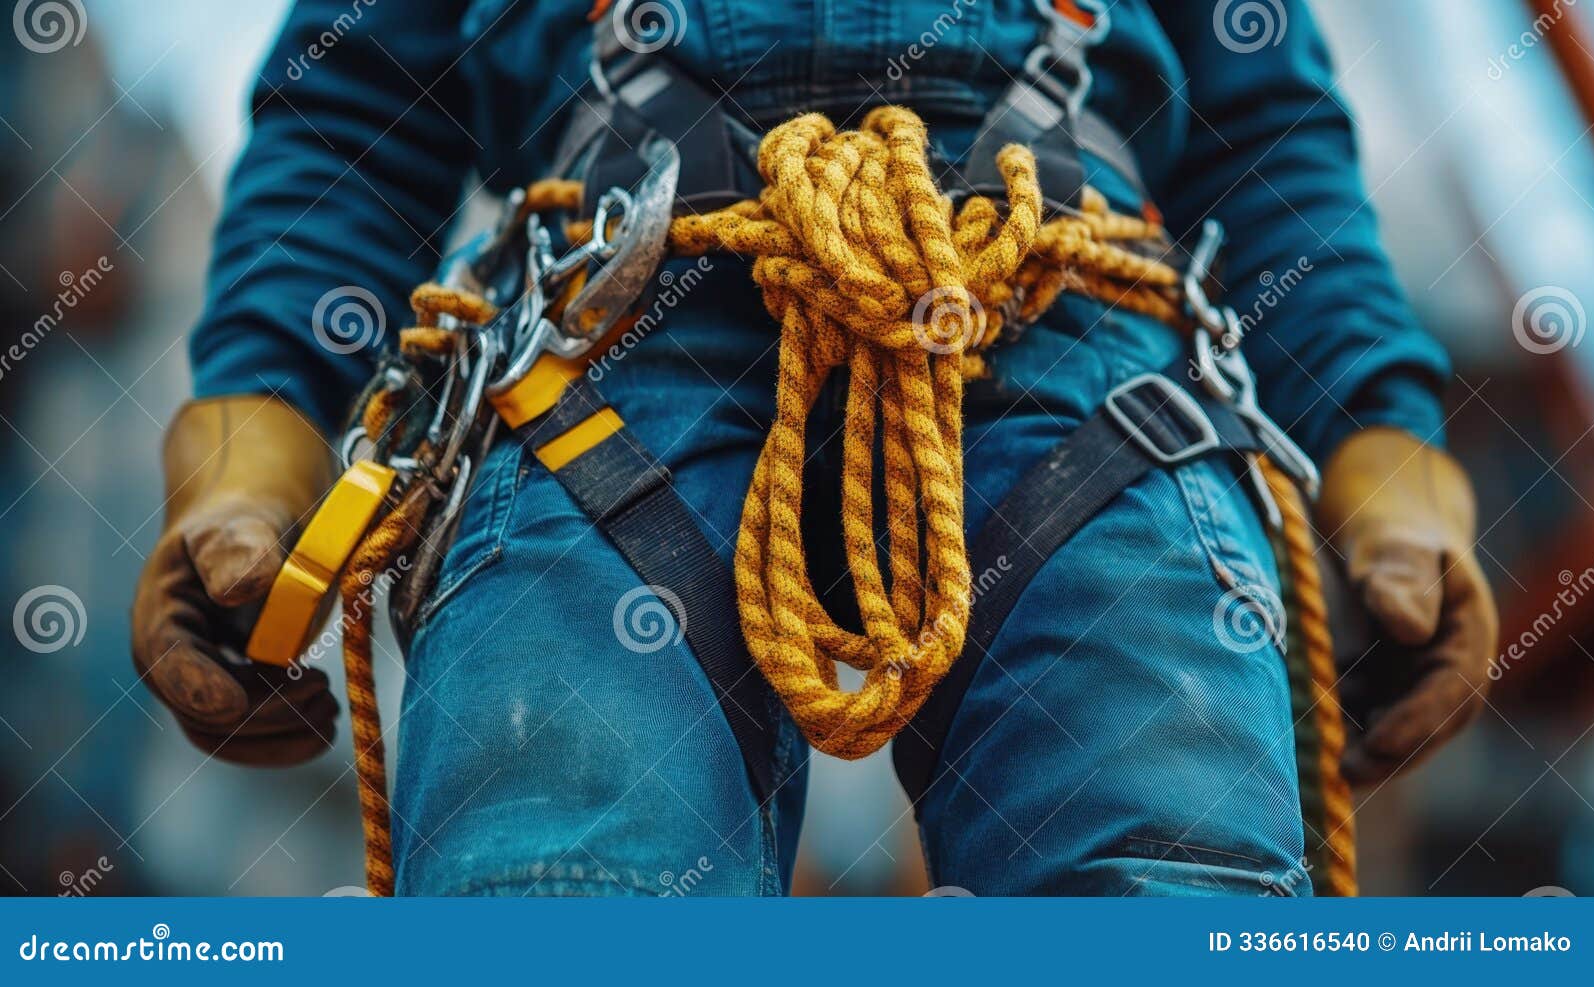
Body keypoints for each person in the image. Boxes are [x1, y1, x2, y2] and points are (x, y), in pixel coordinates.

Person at [130, 0, 1496, 896]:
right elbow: (354, 118)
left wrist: (1381, 451)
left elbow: (1272, 144)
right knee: (552, 900)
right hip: (615, 329)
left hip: (1061, 331)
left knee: (1172, 900)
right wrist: (257, 447)